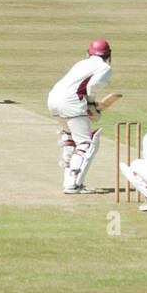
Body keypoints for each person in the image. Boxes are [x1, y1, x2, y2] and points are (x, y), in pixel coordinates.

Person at [47, 39, 114, 194]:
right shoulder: (105, 67)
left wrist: (89, 106)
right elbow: (91, 87)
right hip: (70, 102)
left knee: (70, 138)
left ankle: (68, 180)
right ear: (108, 55)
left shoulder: (81, 63)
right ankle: (72, 184)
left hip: (52, 100)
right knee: (85, 143)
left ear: (89, 52)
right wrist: (91, 105)